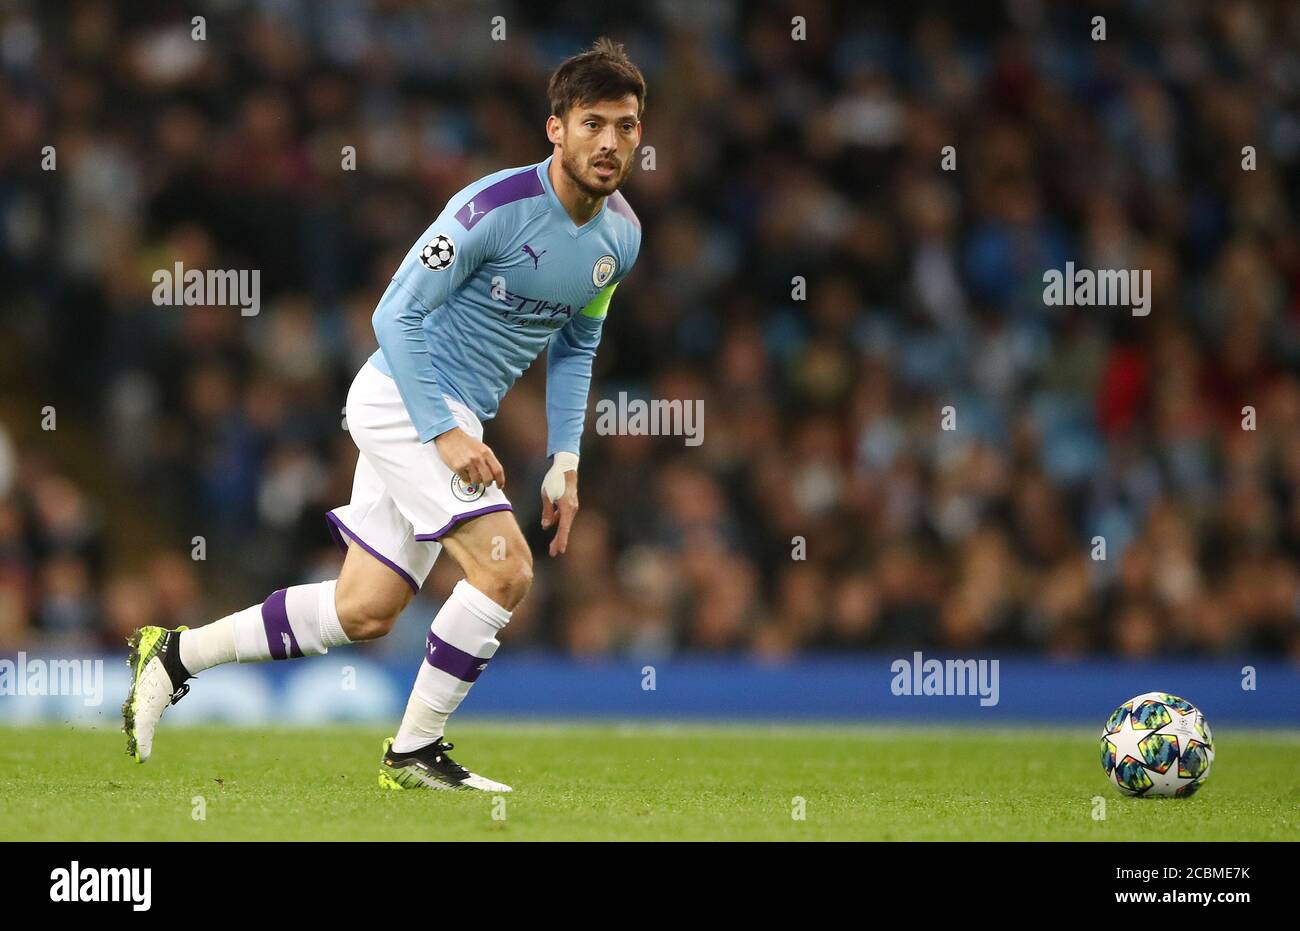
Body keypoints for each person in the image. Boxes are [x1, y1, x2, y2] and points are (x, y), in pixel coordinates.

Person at [122, 37, 645, 791]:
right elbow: (393, 315)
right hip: (406, 394)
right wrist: (443, 429)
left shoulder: (620, 237)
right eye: (593, 122)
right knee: (505, 568)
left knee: (363, 609)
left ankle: (172, 656)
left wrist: (566, 460)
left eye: (626, 126)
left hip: (452, 411)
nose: (610, 141)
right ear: (555, 128)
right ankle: (414, 750)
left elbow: (579, 341)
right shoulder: (491, 209)